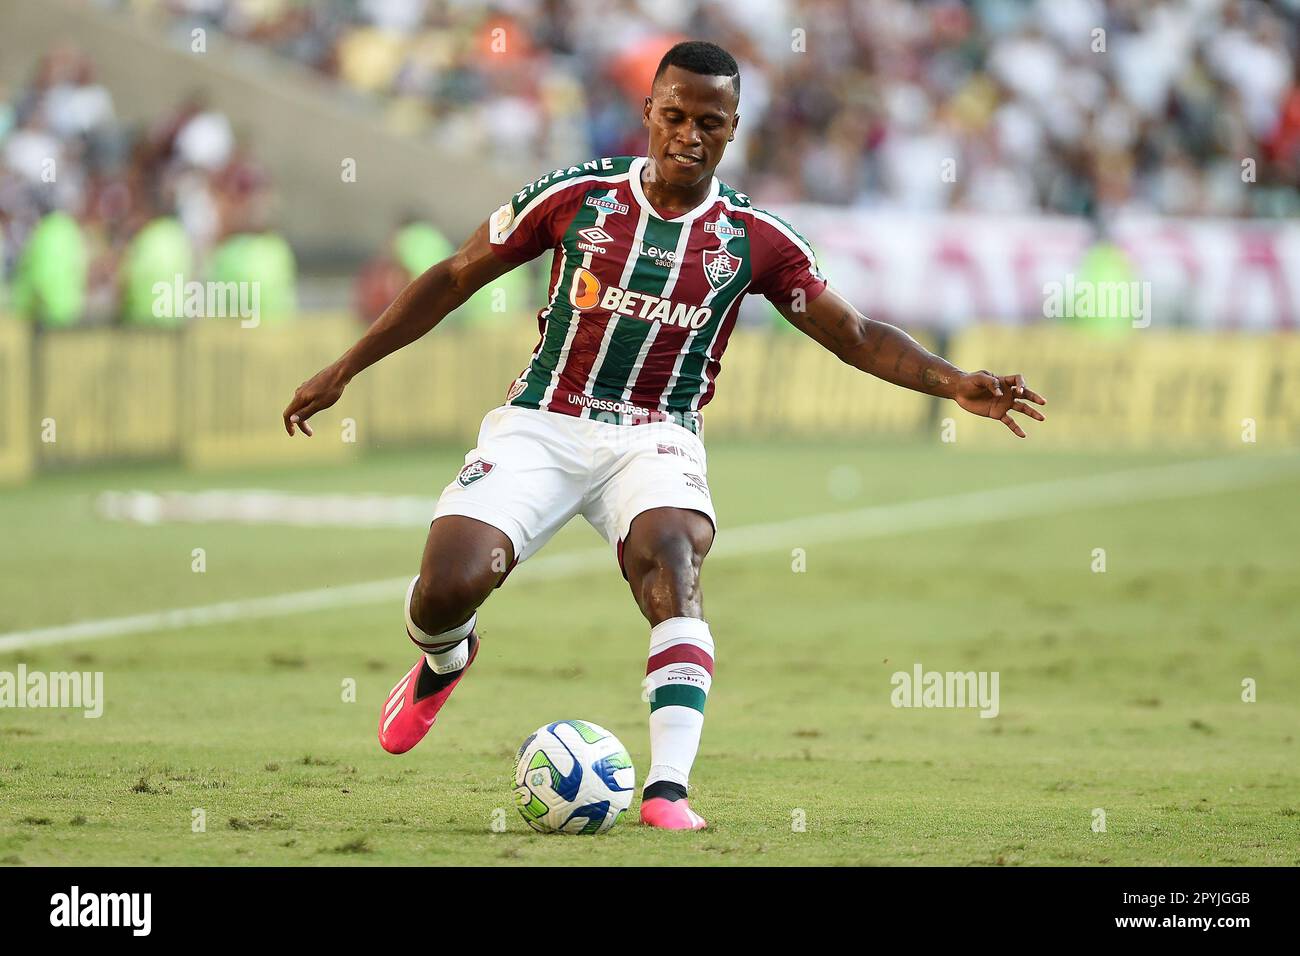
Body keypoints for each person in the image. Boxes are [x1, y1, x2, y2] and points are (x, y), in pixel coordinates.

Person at [281, 41, 1046, 831]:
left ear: (734, 128)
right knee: (447, 587)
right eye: (674, 115)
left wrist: (954, 381)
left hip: (658, 436)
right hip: (543, 422)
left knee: (673, 562)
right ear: (648, 112)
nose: (688, 134)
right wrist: (347, 366)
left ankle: (667, 791)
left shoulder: (755, 239)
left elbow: (852, 332)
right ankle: (446, 658)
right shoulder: (577, 196)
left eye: (709, 122)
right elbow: (453, 276)